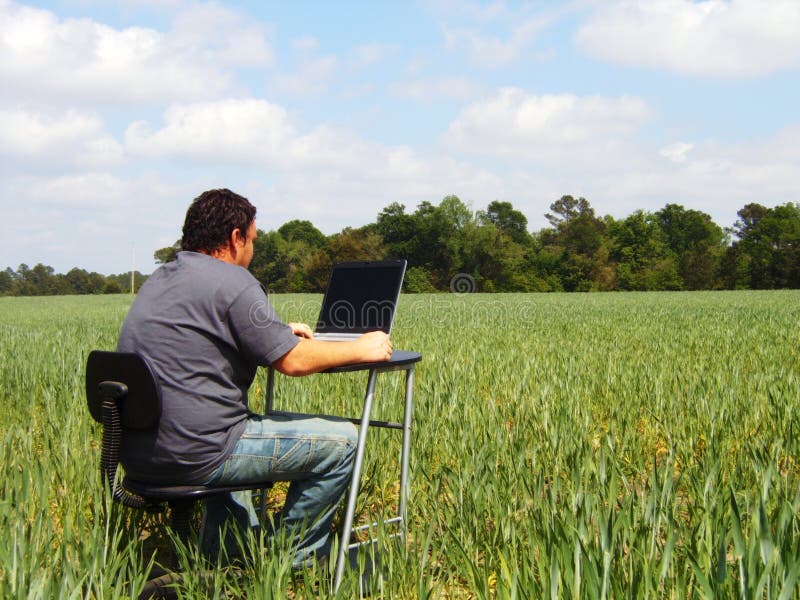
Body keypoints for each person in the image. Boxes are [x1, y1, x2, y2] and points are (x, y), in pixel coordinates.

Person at [117, 188, 393, 567]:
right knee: (343, 441)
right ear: (236, 237)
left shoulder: (160, 279)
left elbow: (207, 333)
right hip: (202, 452)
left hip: (141, 456)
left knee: (233, 421)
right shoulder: (234, 280)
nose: (252, 250)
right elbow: (292, 361)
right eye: (253, 240)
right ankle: (296, 558)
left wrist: (277, 333)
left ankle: (228, 554)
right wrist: (362, 347)